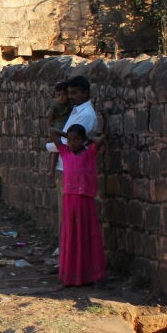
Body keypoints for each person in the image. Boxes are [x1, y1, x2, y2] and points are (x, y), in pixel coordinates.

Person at [49, 124, 107, 286]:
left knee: (87, 234)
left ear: (83, 140)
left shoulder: (89, 153)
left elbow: (101, 139)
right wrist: (66, 134)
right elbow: (52, 132)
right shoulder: (64, 152)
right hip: (70, 200)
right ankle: (71, 274)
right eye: (70, 140)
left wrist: (88, 139)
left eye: (76, 140)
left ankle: (91, 274)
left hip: (84, 200)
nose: (72, 143)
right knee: (70, 236)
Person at [47, 76, 99, 246]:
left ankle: (69, 260)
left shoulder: (86, 116)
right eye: (69, 93)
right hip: (66, 171)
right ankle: (66, 259)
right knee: (66, 222)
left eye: (74, 93)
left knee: (71, 224)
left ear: (85, 93)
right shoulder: (76, 111)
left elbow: (69, 143)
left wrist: (49, 145)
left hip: (74, 177)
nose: (70, 97)